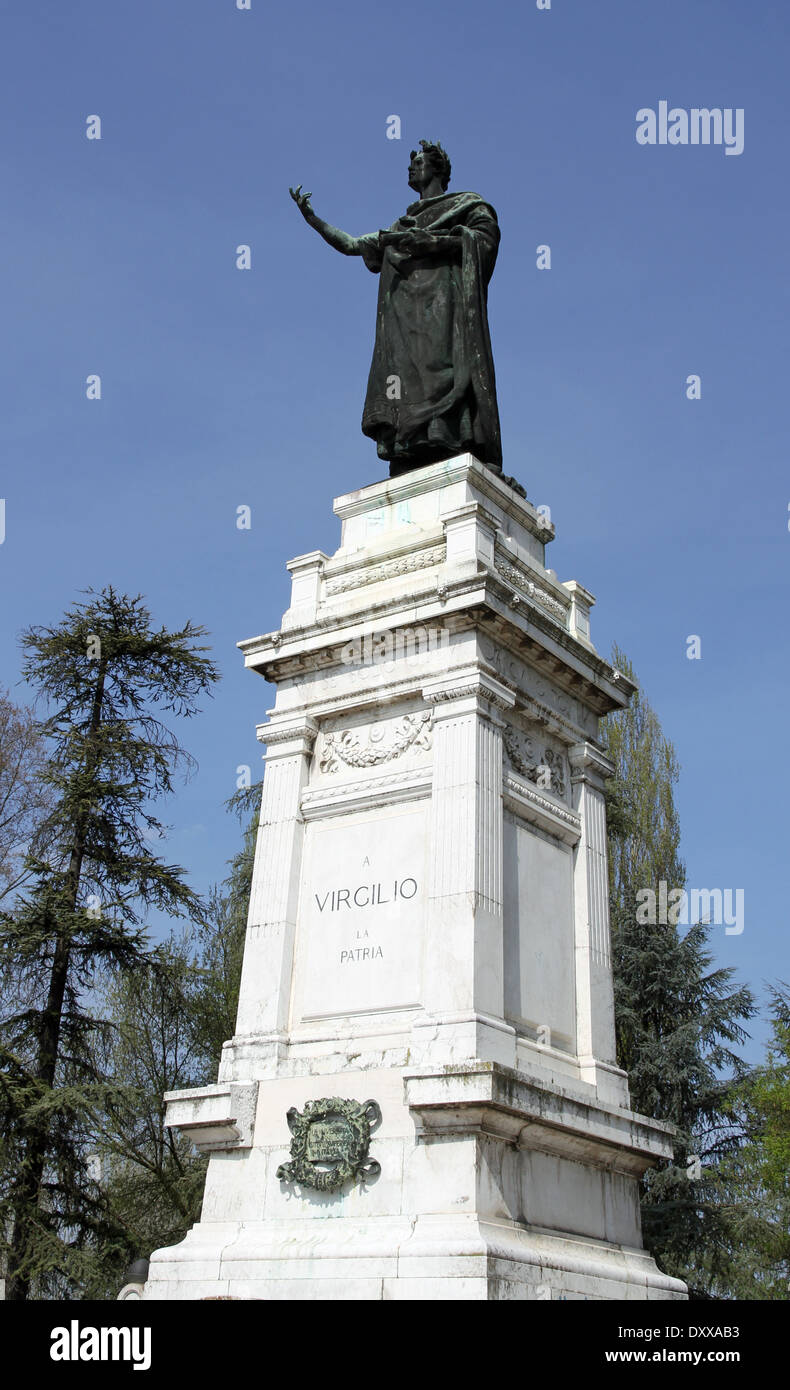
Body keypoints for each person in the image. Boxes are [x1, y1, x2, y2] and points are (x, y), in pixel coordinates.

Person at [290, 141, 503, 477]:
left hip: (444, 316)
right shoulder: (399, 226)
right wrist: (313, 219)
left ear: (437, 169)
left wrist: (433, 242)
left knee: (445, 373)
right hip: (404, 323)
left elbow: (484, 239)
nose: (410, 168)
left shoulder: (466, 205)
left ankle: (448, 437)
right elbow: (351, 244)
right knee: (405, 384)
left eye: (418, 162)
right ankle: (410, 445)